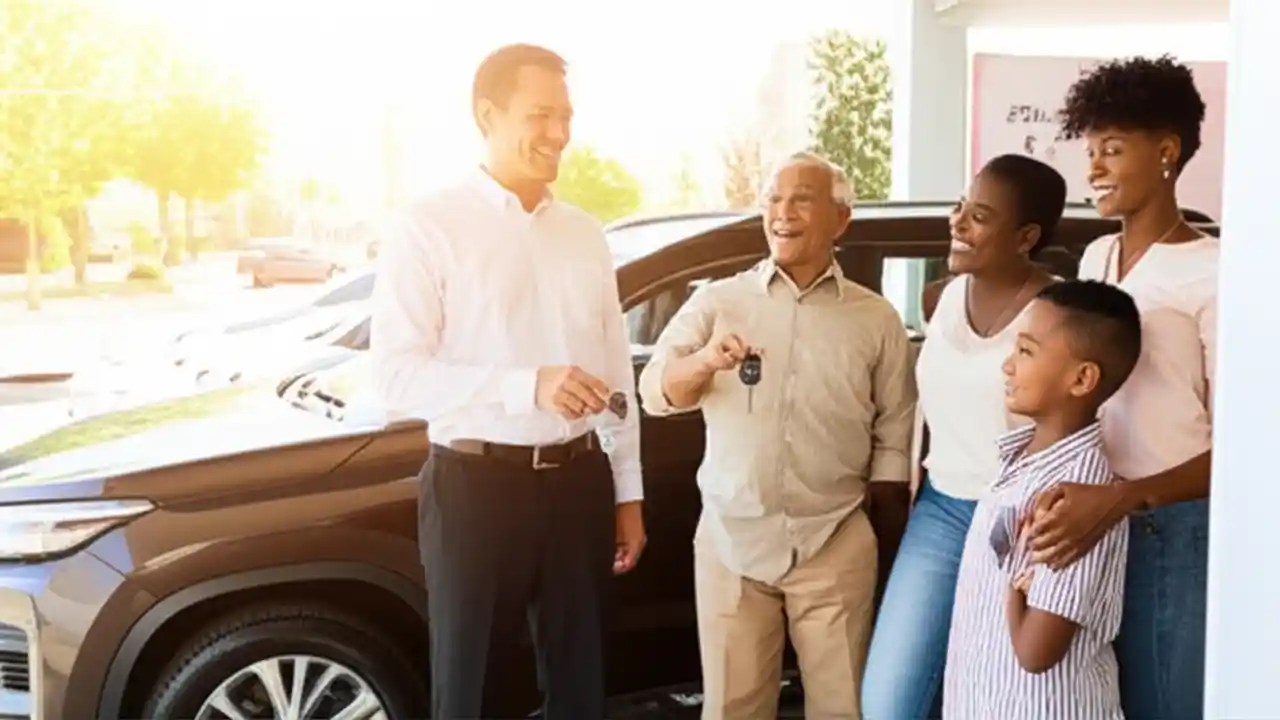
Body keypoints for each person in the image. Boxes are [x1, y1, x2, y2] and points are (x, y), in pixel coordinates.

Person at [369, 44, 646, 720]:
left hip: (580, 485)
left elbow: (615, 375)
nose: (559, 134)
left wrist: (627, 493)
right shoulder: (427, 226)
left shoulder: (585, 234)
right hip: (474, 489)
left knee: (581, 689)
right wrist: (527, 385)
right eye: (541, 114)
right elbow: (396, 378)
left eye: (567, 116)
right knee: (471, 691)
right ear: (487, 114)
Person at [637, 151, 916, 719]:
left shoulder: (875, 318)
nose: (782, 213)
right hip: (731, 539)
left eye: (801, 200)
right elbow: (655, 391)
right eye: (773, 199)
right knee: (733, 709)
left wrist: (883, 534)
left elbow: (895, 427)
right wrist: (705, 361)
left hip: (834, 538)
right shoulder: (719, 302)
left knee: (843, 709)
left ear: (840, 220)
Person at [1030, 54, 1216, 720]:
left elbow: (1244, 449)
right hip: (1089, 521)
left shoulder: (1214, 273)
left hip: (1170, 530)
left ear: (1166, 151)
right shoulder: (1095, 259)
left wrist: (1123, 499)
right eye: (1090, 150)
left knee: (1165, 705)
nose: (1094, 168)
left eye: (1112, 149)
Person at [861, 154, 1066, 719]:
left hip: (1018, 520)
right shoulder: (948, 297)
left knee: (994, 700)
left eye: (979, 215)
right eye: (959, 207)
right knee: (888, 701)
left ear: (1026, 236)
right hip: (942, 511)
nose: (957, 222)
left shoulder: (1058, 313)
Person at [943, 279, 1142, 719]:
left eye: (1026, 351)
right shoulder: (1021, 461)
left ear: (1082, 378)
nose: (1007, 367)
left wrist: (1010, 595)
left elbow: (1037, 652)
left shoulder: (1076, 491)